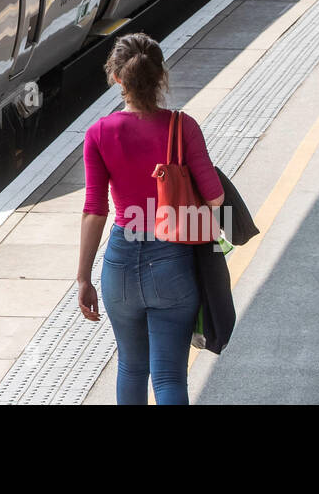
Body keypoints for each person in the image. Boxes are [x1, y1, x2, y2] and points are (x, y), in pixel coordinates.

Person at [76, 33, 224, 405]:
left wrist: (83, 278)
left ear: (117, 79)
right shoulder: (182, 127)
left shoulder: (98, 134)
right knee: (170, 375)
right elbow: (216, 197)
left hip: (120, 265)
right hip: (172, 263)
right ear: (161, 77)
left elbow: (95, 210)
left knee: (131, 367)